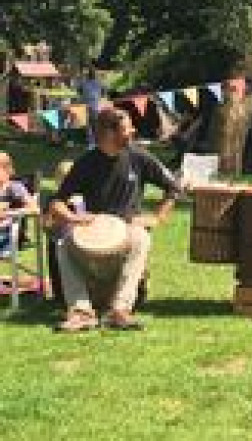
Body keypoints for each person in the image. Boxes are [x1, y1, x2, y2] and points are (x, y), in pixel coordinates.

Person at [49, 107, 182, 332]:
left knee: (142, 239)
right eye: (127, 127)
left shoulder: (139, 157)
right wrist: (74, 218)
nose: (133, 131)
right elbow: (57, 203)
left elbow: (173, 188)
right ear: (109, 133)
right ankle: (81, 312)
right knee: (63, 245)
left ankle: (120, 310)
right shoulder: (86, 163)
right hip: (94, 231)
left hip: (127, 229)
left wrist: (158, 218)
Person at [0, 152, 39, 258]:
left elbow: (35, 209)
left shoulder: (14, 187)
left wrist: (8, 213)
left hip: (4, 236)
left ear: (6, 170)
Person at [77, 63, 106, 147]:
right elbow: (104, 92)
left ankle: (92, 142)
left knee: (89, 125)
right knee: (94, 124)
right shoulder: (99, 82)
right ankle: (96, 142)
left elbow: (79, 91)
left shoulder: (84, 82)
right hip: (95, 106)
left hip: (88, 106)